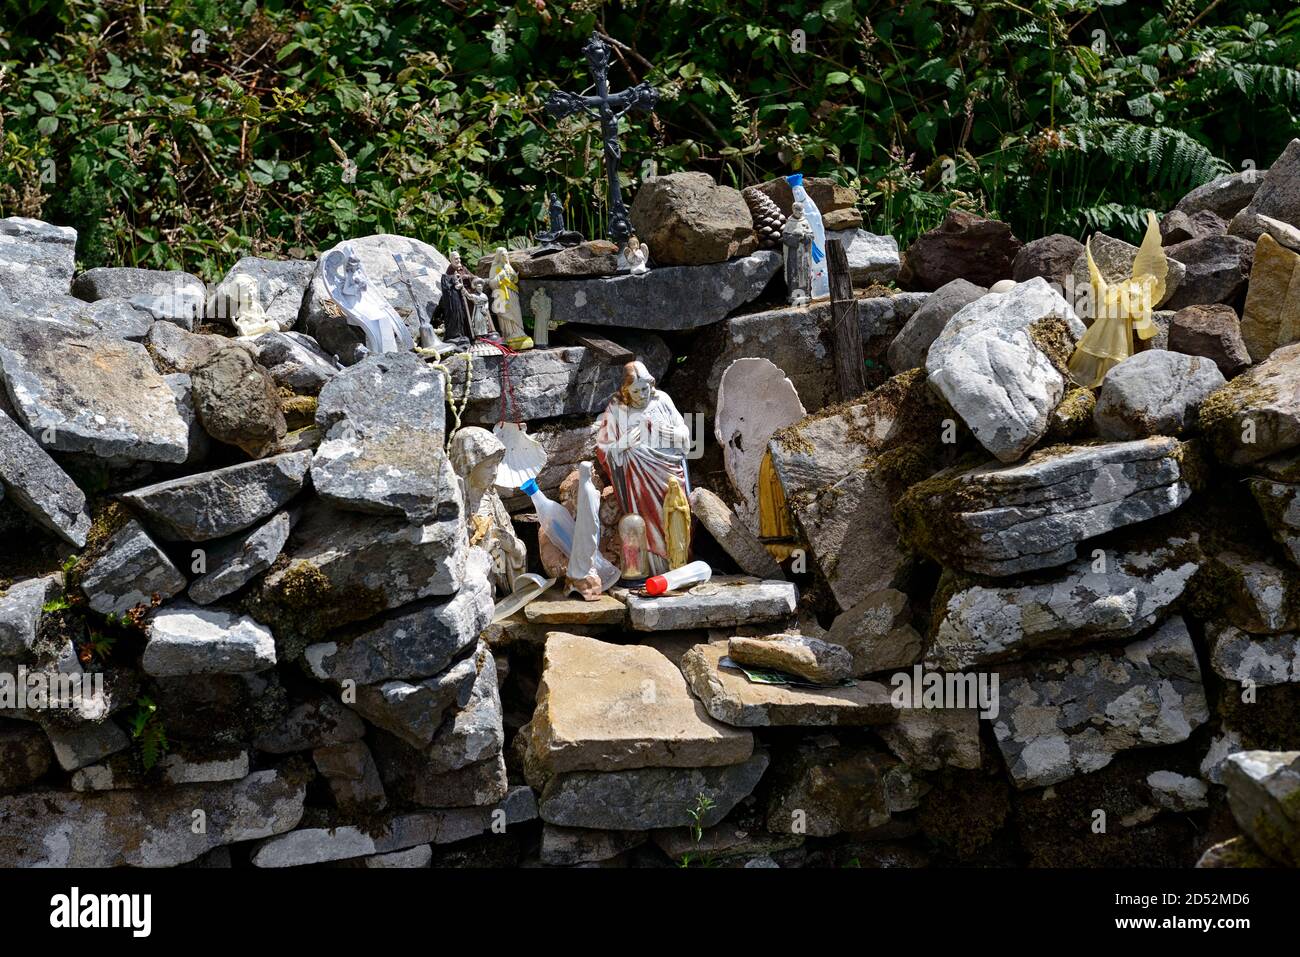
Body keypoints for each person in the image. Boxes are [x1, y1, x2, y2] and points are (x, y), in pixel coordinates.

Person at [595, 360, 691, 574]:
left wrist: (669, 434)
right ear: (626, 391)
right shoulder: (616, 408)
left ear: (652, 385)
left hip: (670, 473)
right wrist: (624, 443)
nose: (641, 395)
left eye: (645, 389)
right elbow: (603, 449)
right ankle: (653, 567)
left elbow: (685, 436)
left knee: (676, 516)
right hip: (639, 482)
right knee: (643, 522)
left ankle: (679, 560)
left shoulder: (663, 400)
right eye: (636, 391)